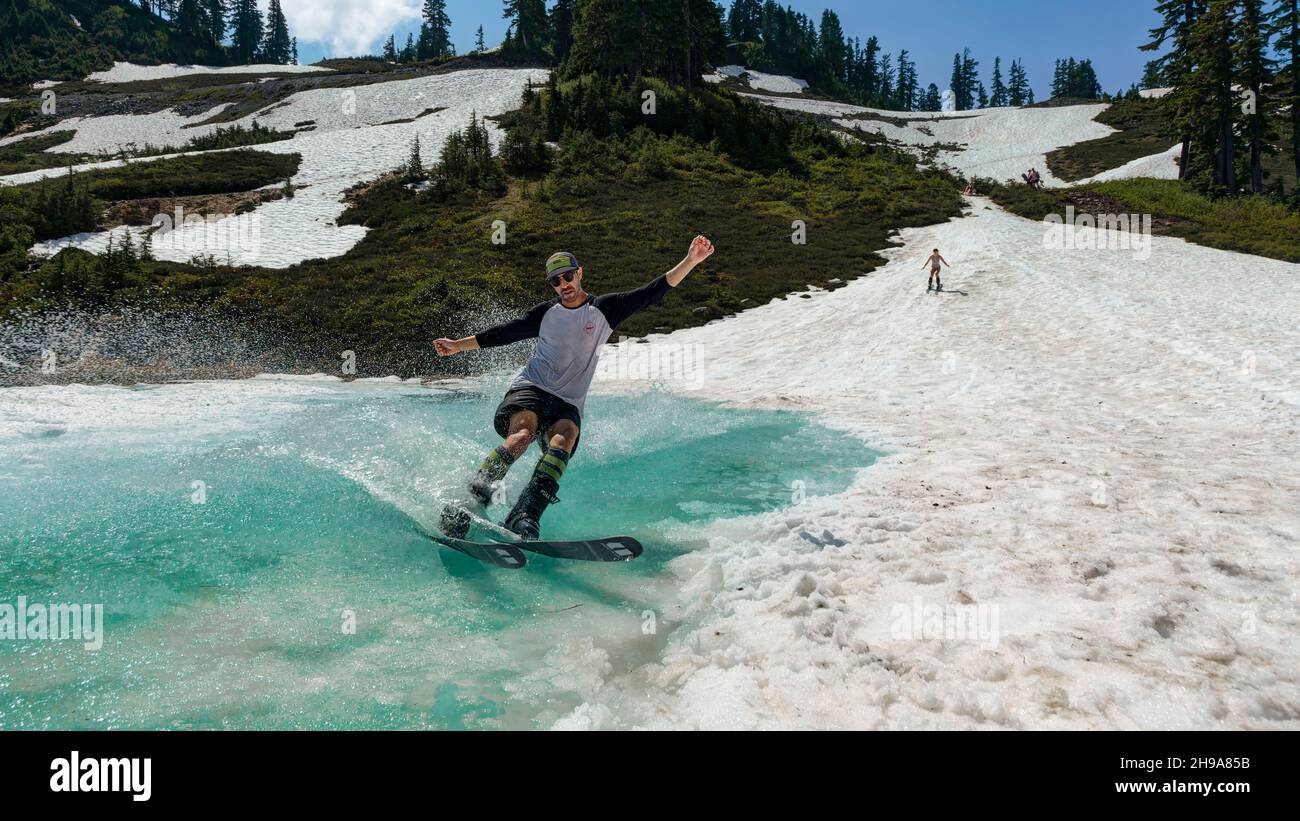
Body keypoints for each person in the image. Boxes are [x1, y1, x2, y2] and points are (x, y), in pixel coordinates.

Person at [433, 236, 717, 540]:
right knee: (522, 435)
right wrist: (457, 346)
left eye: (568, 276)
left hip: (568, 400)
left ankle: (525, 514)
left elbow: (652, 292)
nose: (564, 284)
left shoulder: (605, 309)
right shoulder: (546, 314)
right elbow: (505, 333)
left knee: (564, 438)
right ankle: (468, 502)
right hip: (532, 387)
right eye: (556, 281)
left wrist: (692, 260)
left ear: (579, 273)